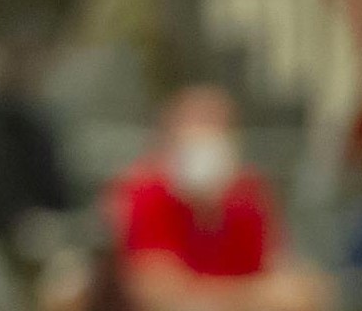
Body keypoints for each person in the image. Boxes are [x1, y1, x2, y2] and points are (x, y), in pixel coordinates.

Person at [108, 87, 331, 311]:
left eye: (216, 129)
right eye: (194, 131)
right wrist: (249, 297)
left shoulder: (249, 194)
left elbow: (288, 284)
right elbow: (156, 291)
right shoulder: (146, 191)